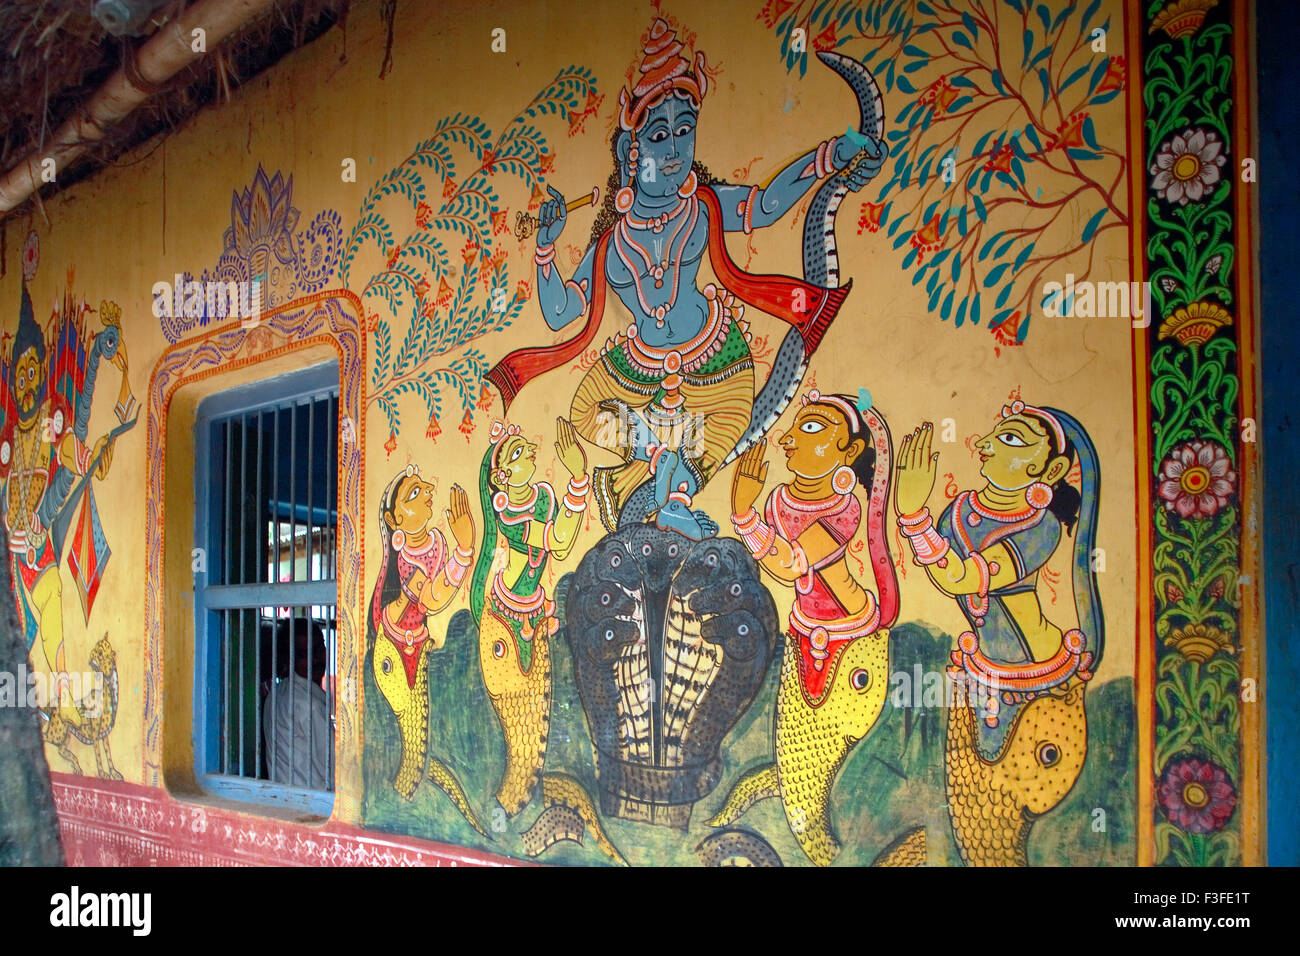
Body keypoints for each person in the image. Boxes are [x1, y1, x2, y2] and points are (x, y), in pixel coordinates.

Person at [487, 18, 887, 540]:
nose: (673, 151)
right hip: (637, 368)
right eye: (658, 136)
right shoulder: (611, 245)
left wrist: (829, 158)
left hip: (717, 360)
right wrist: (546, 247)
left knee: (715, 431)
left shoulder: (703, 209)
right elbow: (562, 312)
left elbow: (764, 204)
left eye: (683, 130)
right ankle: (660, 471)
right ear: (633, 151)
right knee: (585, 409)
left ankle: (669, 490)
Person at [714, 389, 898, 865]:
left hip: (853, 639)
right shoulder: (778, 500)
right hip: (803, 636)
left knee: (831, 763)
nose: (790, 440)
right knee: (796, 762)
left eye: (812, 429)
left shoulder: (844, 508)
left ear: (849, 453)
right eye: (795, 429)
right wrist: (753, 515)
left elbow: (793, 565)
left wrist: (743, 516)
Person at [469, 418, 587, 814]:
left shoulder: (541, 499)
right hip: (504, 619)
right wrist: (578, 479)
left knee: (535, 723)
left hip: (532, 613)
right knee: (519, 726)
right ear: (502, 476)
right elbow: (558, 539)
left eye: (525, 446)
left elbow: (558, 539)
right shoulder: (510, 516)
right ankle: (507, 802)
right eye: (518, 452)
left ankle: (513, 799)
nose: (530, 451)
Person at [262, 616, 331, 791]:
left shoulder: (276, 695)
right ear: (288, 659)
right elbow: (337, 768)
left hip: (285, 802)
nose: (314, 659)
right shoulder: (309, 705)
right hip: (314, 805)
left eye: (317, 649)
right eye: (303, 654)